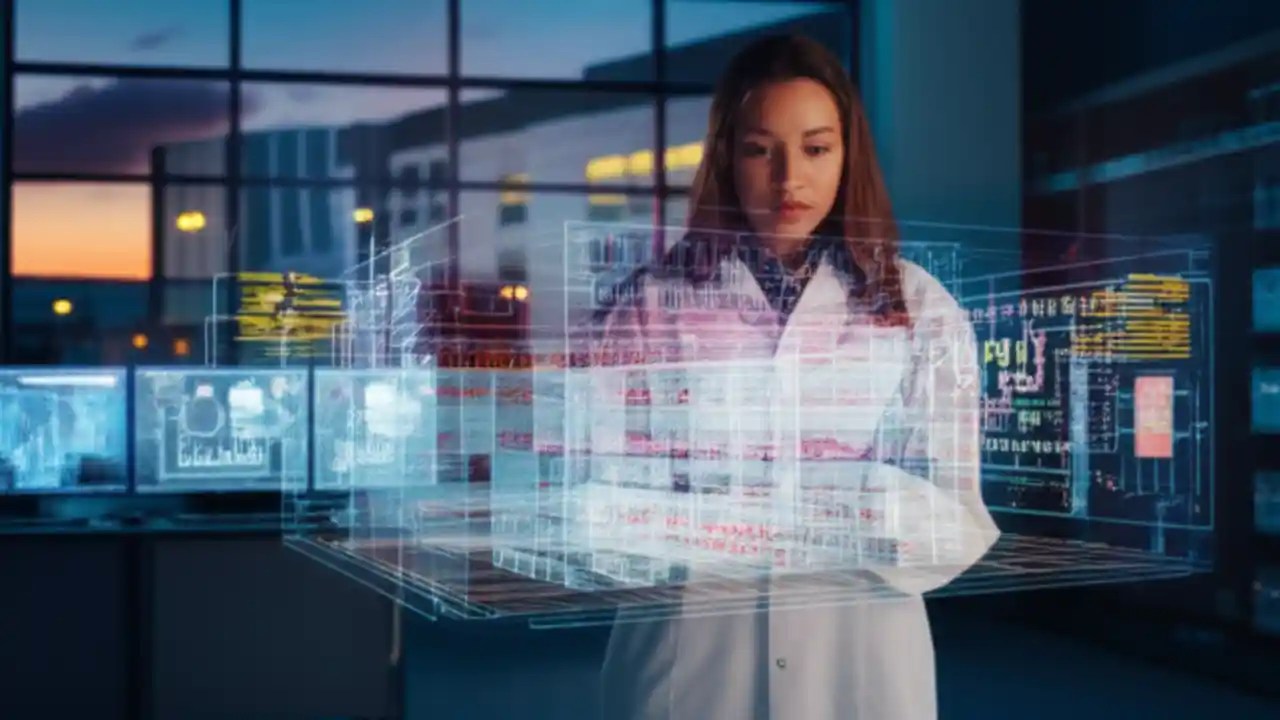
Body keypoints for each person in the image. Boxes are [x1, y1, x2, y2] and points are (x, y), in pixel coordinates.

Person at [591, 33, 1001, 719]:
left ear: (848, 155)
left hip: (859, 661)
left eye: (815, 148)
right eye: (759, 149)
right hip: (690, 666)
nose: (788, 179)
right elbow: (600, 502)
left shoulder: (920, 307)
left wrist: (844, 500)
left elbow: (957, 514)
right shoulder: (648, 303)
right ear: (726, 155)